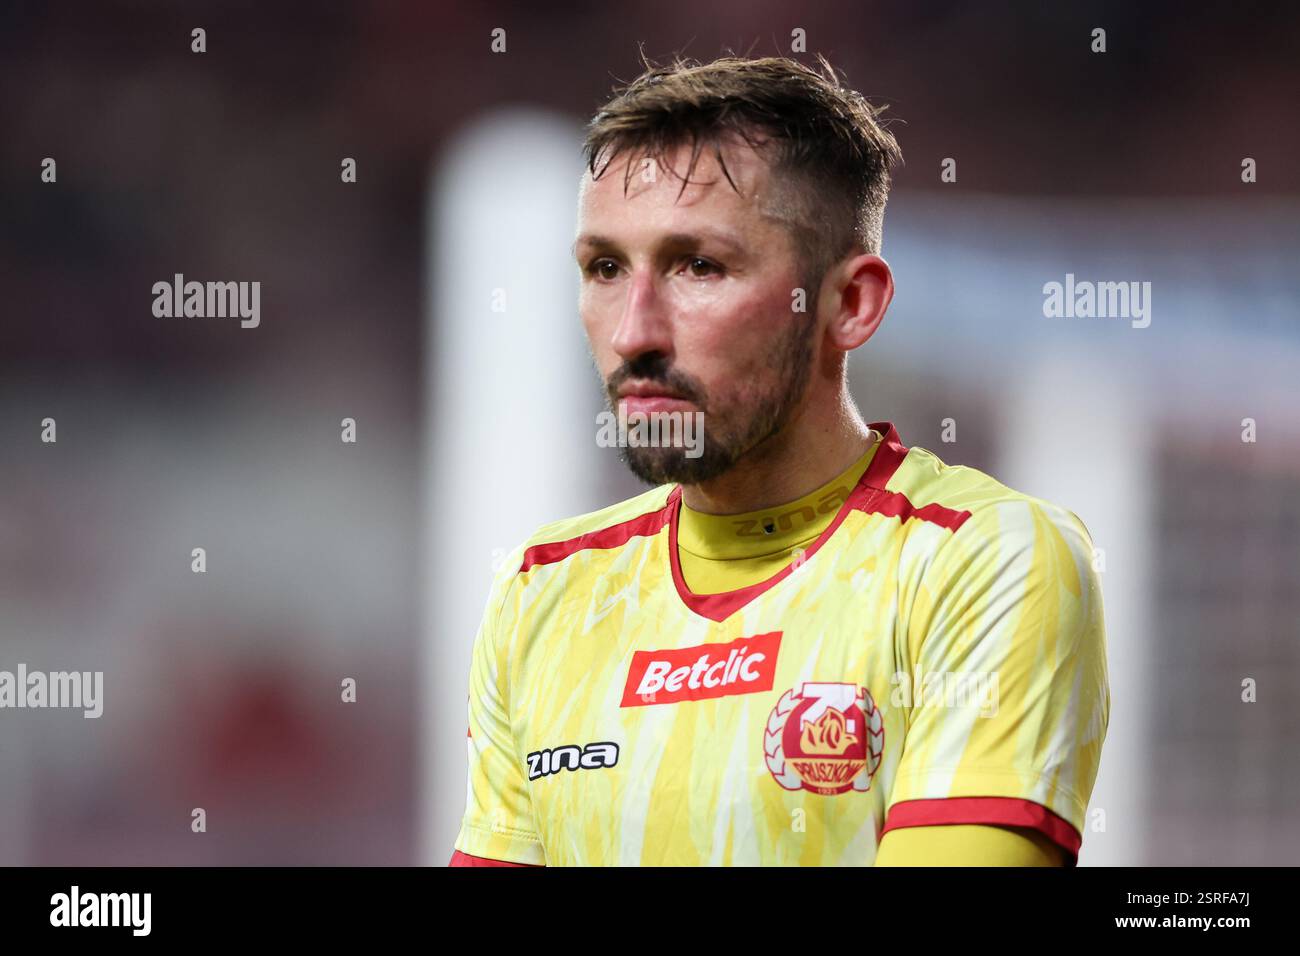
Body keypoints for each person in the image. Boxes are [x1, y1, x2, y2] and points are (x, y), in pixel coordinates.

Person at [451, 54, 1108, 866]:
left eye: (699, 266)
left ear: (850, 303)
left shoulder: (981, 563)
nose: (633, 332)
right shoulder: (542, 594)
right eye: (606, 269)